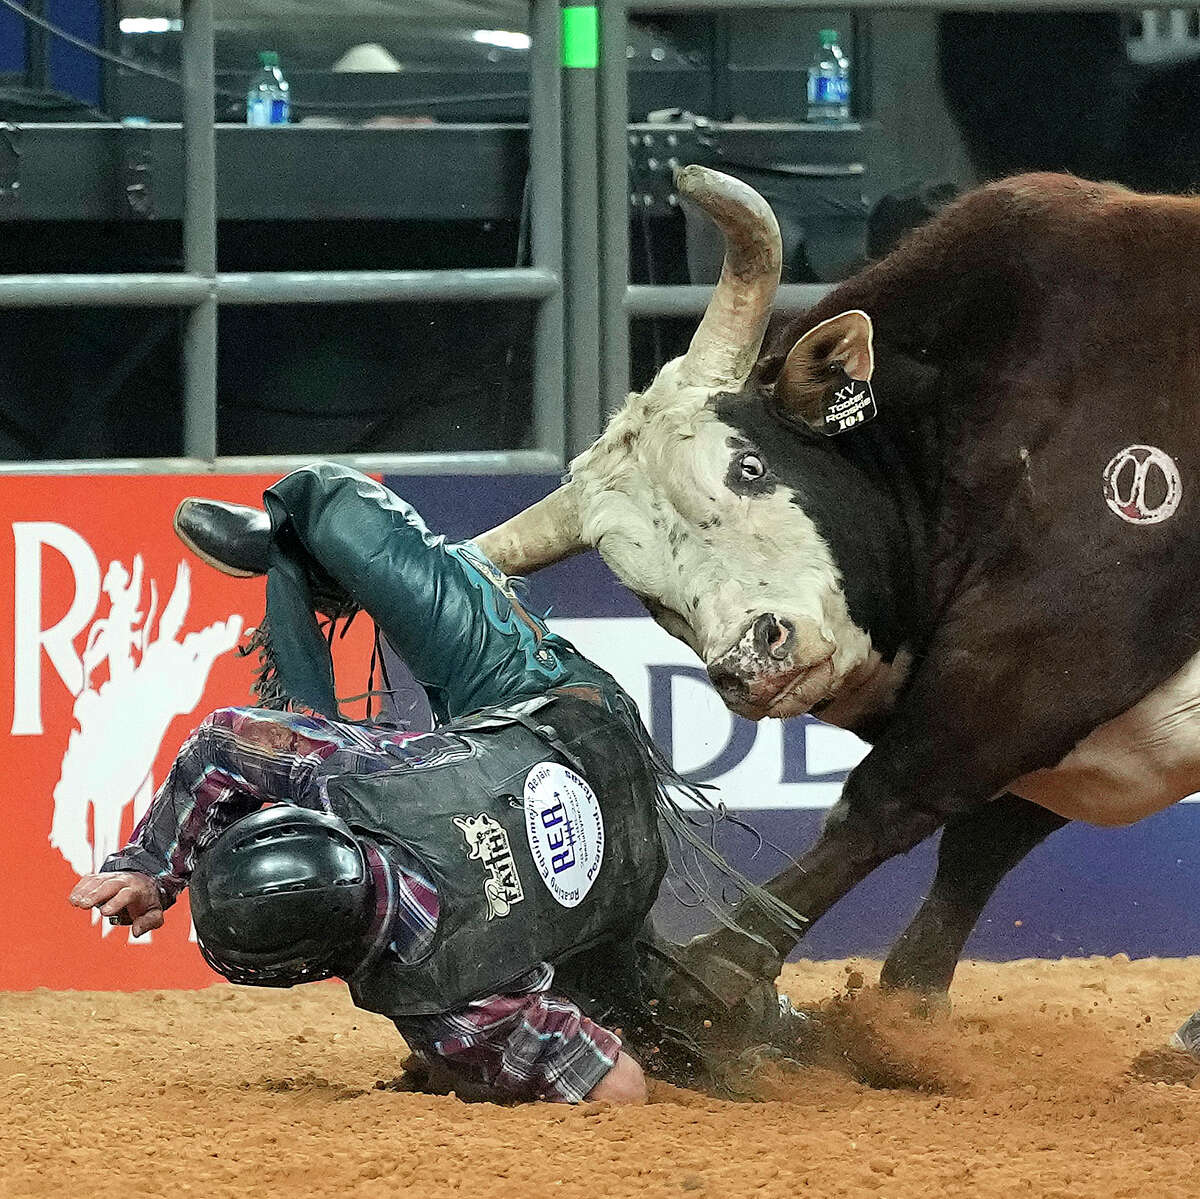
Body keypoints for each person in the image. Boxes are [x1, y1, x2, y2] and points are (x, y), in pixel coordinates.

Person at [68, 463, 810, 1104]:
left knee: (667, 1023)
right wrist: (150, 865)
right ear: (309, 829)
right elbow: (224, 743)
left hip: (612, 895)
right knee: (334, 498)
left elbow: (621, 1086)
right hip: (568, 715)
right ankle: (308, 547)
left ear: (301, 968)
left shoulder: (453, 1013)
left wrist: (465, 1066)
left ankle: (781, 1028)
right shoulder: (347, 781)